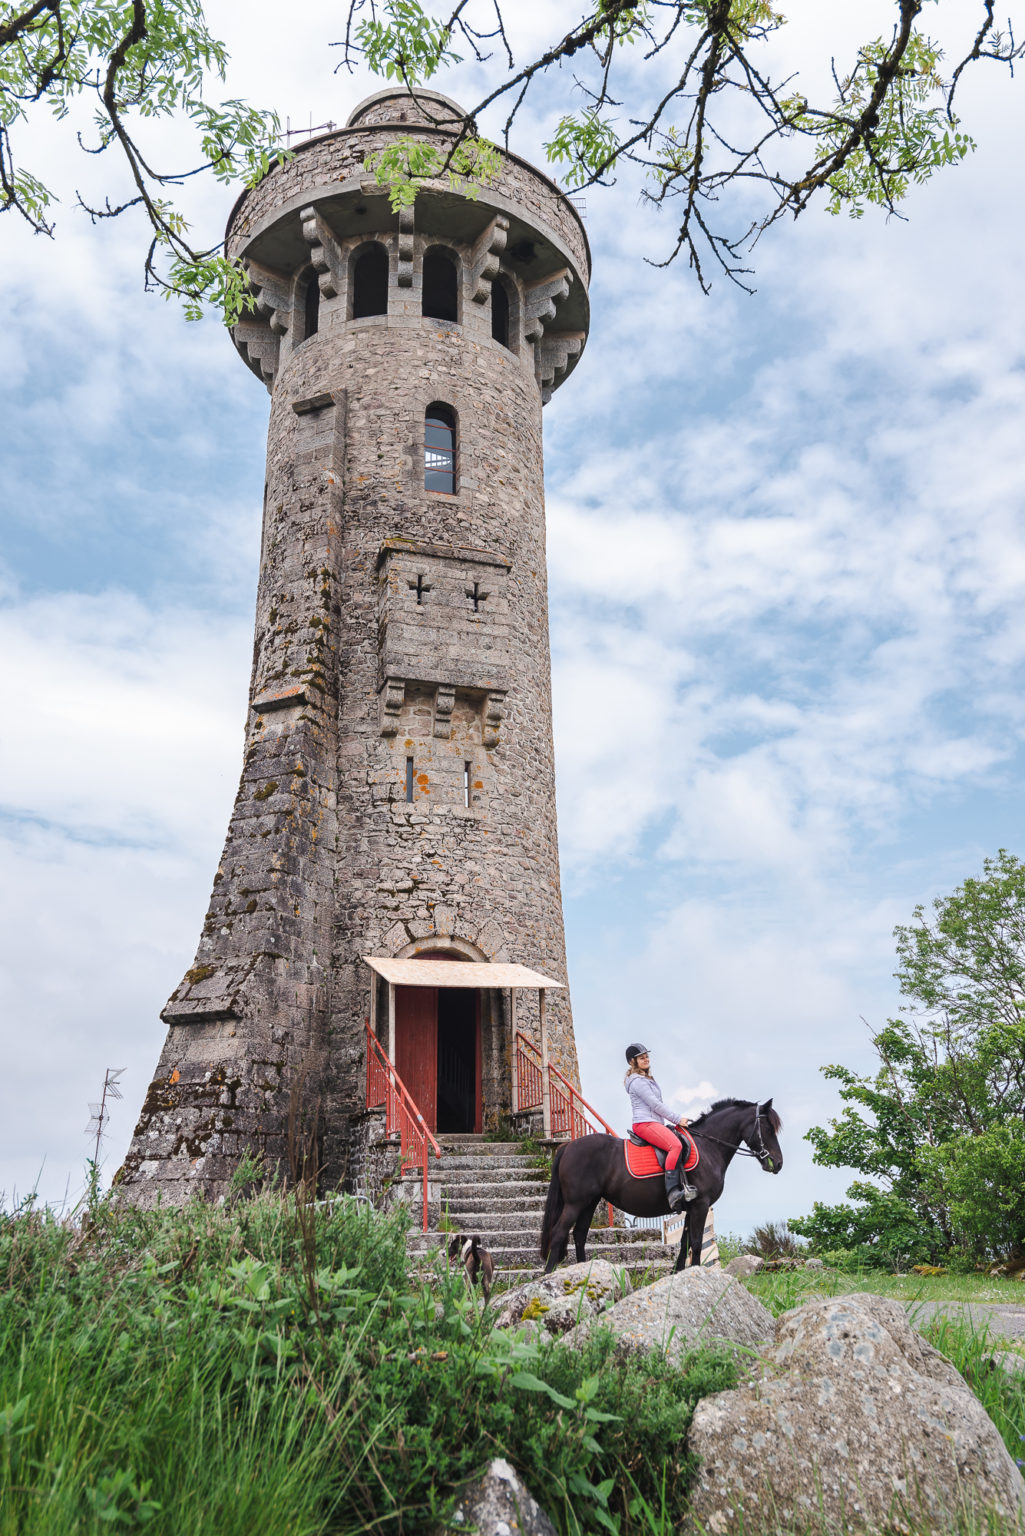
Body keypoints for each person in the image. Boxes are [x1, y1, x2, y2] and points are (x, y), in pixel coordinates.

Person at [624, 1043, 697, 1210]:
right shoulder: (637, 1082)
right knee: (675, 1145)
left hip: (654, 1122)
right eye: (641, 1057)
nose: (646, 1059)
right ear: (632, 1062)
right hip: (644, 1123)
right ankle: (672, 1193)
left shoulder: (646, 1079)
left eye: (647, 1056)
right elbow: (655, 1105)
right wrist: (678, 1119)